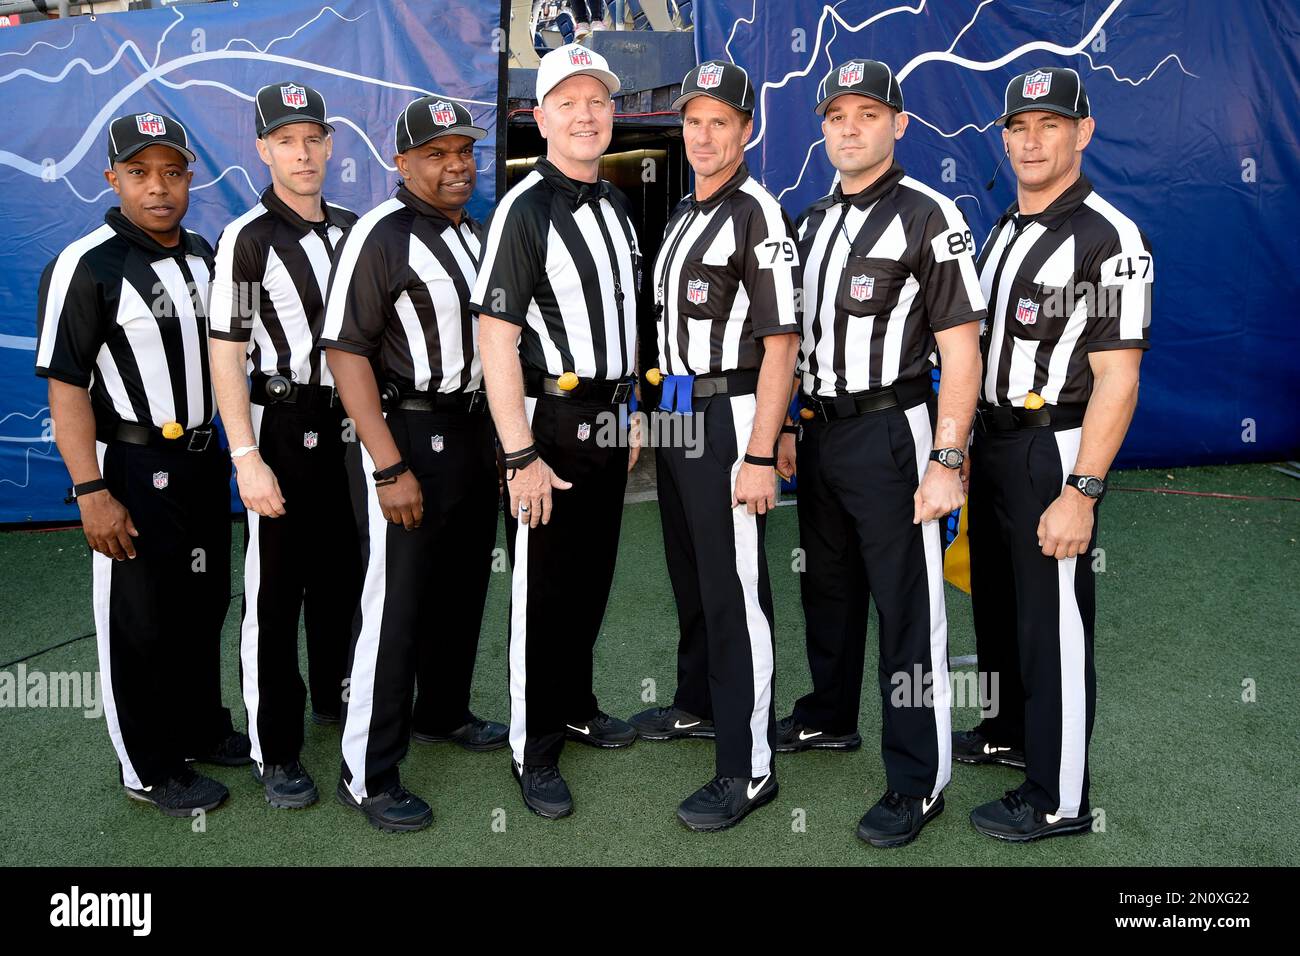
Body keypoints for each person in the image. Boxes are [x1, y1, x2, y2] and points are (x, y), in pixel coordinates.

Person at [779, 60, 986, 847]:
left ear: (899, 124)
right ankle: (829, 718)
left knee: (909, 610)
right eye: (836, 115)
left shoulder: (930, 216)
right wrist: (793, 425)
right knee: (826, 589)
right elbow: (799, 340)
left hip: (894, 430)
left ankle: (918, 779)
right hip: (825, 429)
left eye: (868, 113)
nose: (850, 127)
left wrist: (947, 457)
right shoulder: (811, 221)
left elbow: (961, 353)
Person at [35, 112, 248, 816]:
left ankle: (199, 728)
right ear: (112, 178)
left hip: (201, 457)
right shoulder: (87, 263)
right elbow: (65, 388)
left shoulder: (204, 255)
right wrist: (90, 492)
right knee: (141, 620)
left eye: (172, 172)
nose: (157, 188)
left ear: (190, 176)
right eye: (139, 173)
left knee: (201, 603)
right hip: (131, 463)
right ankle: (149, 767)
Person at [962, 67, 1152, 841]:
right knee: (1001, 606)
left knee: (1055, 623)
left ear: (1084, 131)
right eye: (1019, 126)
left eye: (1050, 124)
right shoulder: (1006, 226)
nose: (1032, 140)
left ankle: (1060, 797)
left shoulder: (1110, 236)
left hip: (1056, 443)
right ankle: (1010, 735)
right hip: (998, 438)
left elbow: (1119, 376)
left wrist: (1082, 490)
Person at [320, 96, 507, 832]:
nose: (456, 164)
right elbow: (346, 352)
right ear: (402, 163)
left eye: (463, 151)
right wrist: (389, 465)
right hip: (407, 432)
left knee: (460, 588)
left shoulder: (473, 232)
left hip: (466, 431)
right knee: (394, 605)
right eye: (436, 153)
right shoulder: (380, 234)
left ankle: (444, 713)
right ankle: (367, 772)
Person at [627, 60, 800, 832]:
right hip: (674, 412)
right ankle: (700, 704)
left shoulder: (757, 213)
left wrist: (762, 451)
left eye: (720, 121)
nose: (703, 135)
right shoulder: (685, 211)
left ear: (747, 130)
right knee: (692, 572)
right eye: (693, 121)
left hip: (728, 416)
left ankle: (749, 765)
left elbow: (781, 345)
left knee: (734, 592)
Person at [472, 44, 642, 820]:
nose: (586, 114)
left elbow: (629, 324)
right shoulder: (523, 207)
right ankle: (532, 747)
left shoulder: (613, 205)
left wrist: (632, 408)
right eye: (568, 102)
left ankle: (574, 705)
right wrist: (520, 455)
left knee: (592, 577)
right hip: (550, 419)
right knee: (542, 589)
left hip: (609, 418)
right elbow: (496, 338)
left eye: (597, 101)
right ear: (538, 118)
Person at [208, 81, 361, 810]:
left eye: (313, 138)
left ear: (330, 144)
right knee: (276, 593)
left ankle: (338, 696)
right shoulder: (248, 238)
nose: (302, 153)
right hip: (282, 425)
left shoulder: (357, 229)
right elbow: (226, 351)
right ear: (263, 148)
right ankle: (277, 748)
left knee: (345, 577)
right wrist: (245, 456)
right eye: (286, 141)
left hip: (349, 429)